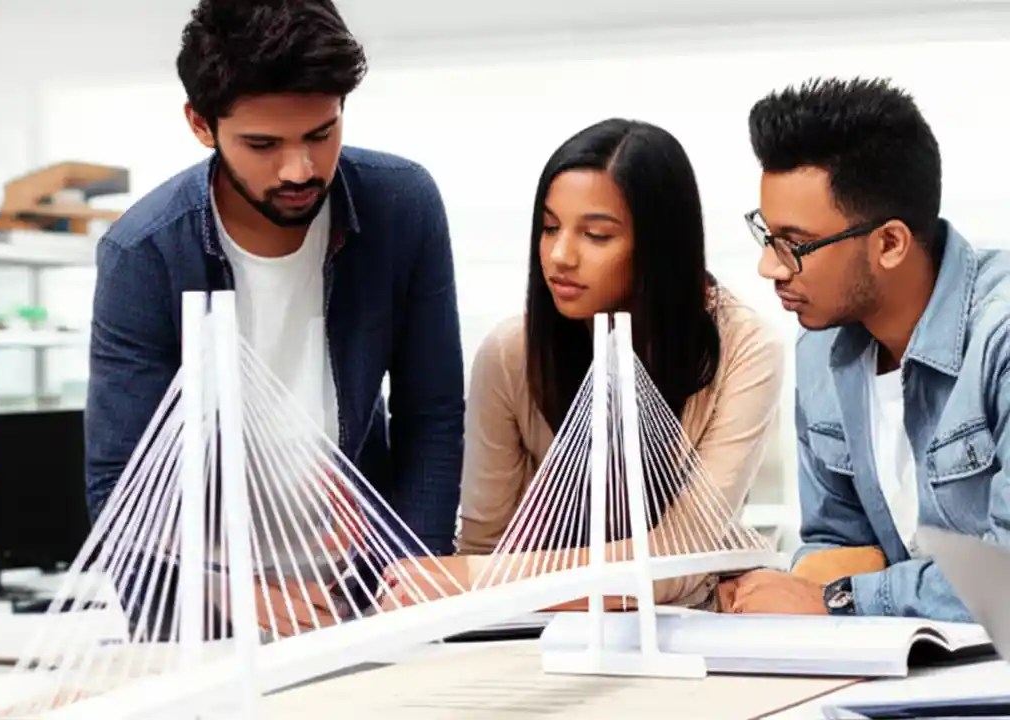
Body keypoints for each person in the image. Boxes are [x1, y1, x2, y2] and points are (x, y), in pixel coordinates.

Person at [85, 0, 465, 595]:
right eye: (263, 144)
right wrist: (225, 599)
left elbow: (432, 413)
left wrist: (413, 574)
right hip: (208, 603)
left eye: (322, 133)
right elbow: (121, 490)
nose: (299, 169)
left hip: (369, 584)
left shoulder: (402, 206)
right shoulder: (143, 252)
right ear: (200, 125)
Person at [386, 118, 785, 609]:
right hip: (543, 626)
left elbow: (678, 560)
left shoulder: (746, 348)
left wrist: (478, 580)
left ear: (660, 246)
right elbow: (486, 544)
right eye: (550, 227)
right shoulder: (510, 354)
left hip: (700, 618)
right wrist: (477, 578)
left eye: (596, 235)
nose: (560, 256)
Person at [721, 77, 1010, 622]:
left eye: (795, 244)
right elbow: (838, 543)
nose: (769, 267)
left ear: (890, 243)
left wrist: (841, 598)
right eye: (767, 236)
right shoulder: (820, 349)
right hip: (907, 657)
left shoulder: (1000, 337)